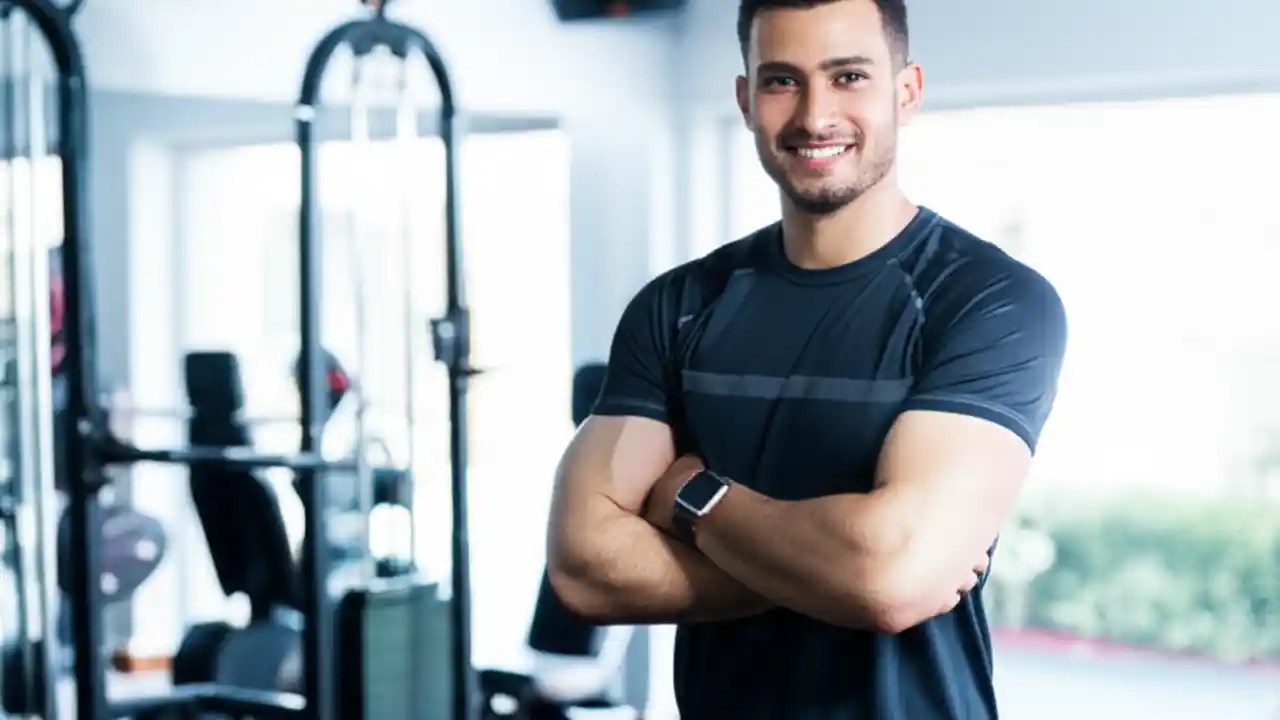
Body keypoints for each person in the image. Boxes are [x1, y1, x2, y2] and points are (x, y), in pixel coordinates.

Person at [545, 0, 1068, 717]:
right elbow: (582, 569)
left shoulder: (989, 300)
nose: (815, 115)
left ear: (905, 92)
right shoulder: (679, 306)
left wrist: (692, 500)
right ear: (745, 98)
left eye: (849, 76)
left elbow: (891, 573)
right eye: (782, 81)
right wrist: (843, 574)